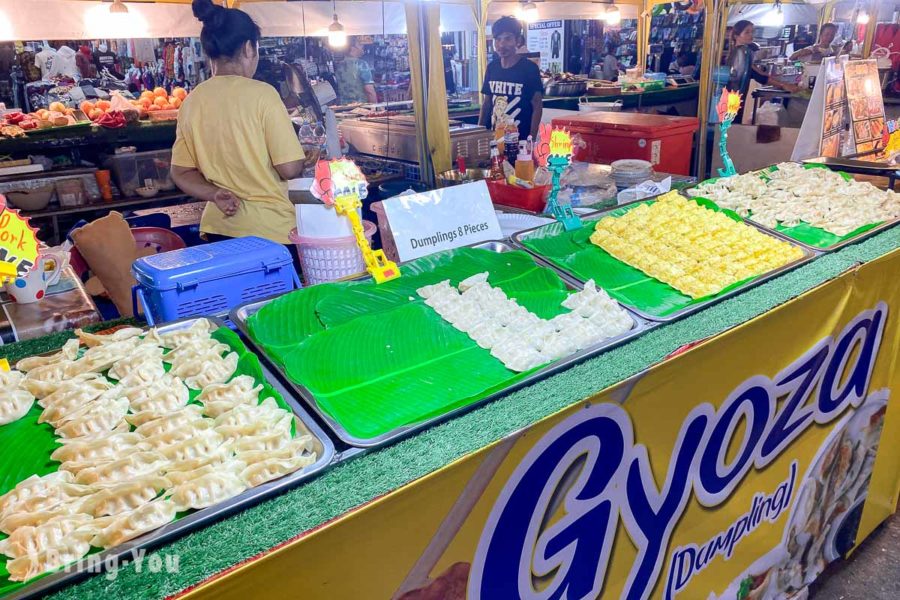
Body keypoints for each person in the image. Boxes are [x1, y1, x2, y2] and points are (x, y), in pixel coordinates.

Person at [171, 0, 306, 252]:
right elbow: (288, 168)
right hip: (271, 232)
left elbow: (181, 173)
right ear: (248, 48)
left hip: (218, 229)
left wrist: (214, 194)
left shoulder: (191, 102)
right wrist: (303, 158)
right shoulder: (262, 94)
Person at [479, 16, 543, 141]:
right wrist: (479, 133)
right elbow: (486, 104)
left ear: (518, 41)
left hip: (521, 140)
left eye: (508, 39)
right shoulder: (492, 68)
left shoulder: (529, 68)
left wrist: (532, 139)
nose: (502, 45)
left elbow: (537, 105)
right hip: (495, 138)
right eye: (498, 39)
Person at [727, 20, 797, 121]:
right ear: (736, 36)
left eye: (752, 32)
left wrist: (779, 81)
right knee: (729, 127)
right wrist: (783, 85)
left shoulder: (742, 51)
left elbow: (756, 72)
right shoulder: (741, 52)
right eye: (747, 32)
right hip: (732, 98)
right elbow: (757, 75)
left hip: (735, 97)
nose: (751, 35)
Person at [335, 38, 377, 104]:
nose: (362, 47)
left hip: (343, 107)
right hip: (361, 107)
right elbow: (369, 91)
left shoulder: (339, 66)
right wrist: (376, 107)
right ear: (352, 48)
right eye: (360, 45)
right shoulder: (361, 64)